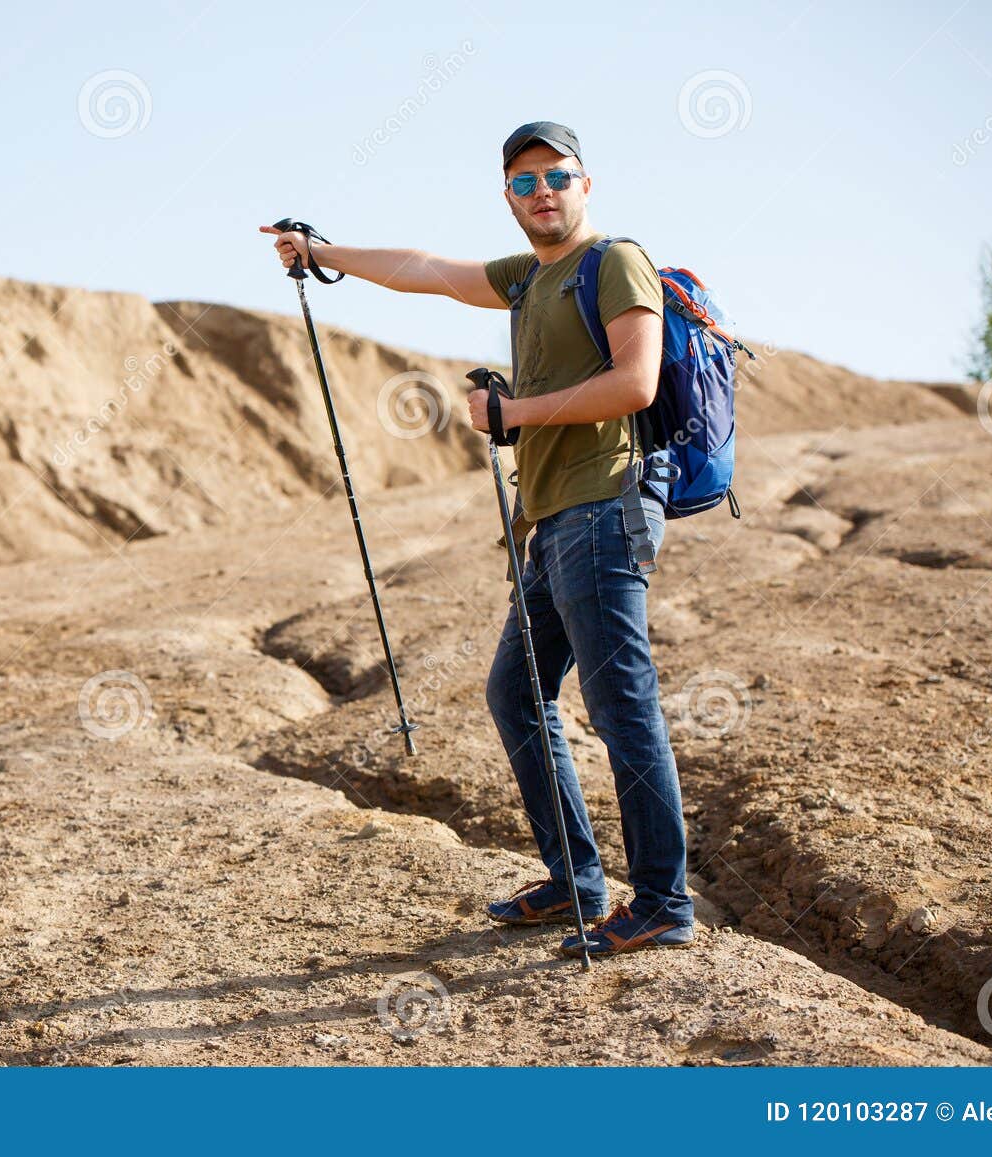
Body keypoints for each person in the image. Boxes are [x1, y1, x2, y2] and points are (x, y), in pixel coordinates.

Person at [258, 121, 694, 958]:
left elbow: (635, 383)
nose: (543, 194)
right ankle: (575, 881)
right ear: (508, 197)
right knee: (514, 693)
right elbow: (429, 271)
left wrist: (513, 414)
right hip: (553, 518)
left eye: (556, 177)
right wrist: (326, 252)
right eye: (525, 183)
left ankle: (664, 903)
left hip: (606, 508)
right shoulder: (530, 278)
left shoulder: (616, 262)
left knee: (619, 706)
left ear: (585, 184)